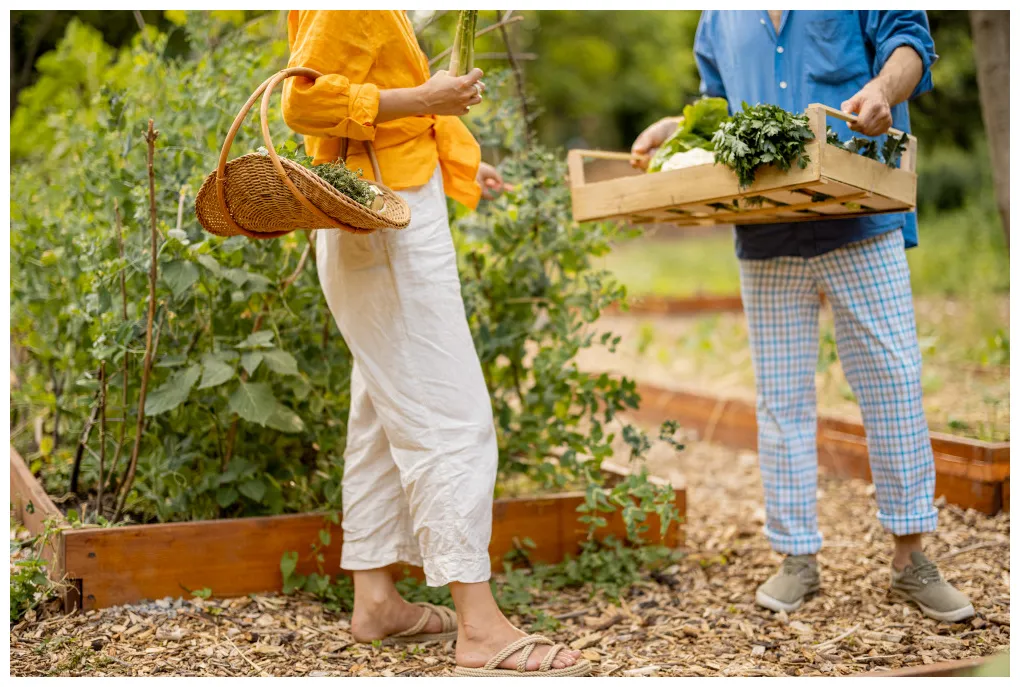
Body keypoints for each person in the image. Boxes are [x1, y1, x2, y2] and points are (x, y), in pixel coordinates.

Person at [631, 10, 974, 622]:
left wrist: (882, 89)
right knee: (781, 399)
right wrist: (675, 130)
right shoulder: (718, 16)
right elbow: (720, 108)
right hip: (766, 231)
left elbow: (909, 43)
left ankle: (911, 558)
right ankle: (796, 557)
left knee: (893, 384)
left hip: (862, 216)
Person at [282, 10, 589, 677]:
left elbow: (378, 101)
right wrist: (428, 97)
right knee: (452, 417)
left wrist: (450, 148)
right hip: (383, 224)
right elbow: (302, 104)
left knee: (380, 413)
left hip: (381, 211)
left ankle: (376, 602)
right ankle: (478, 627)